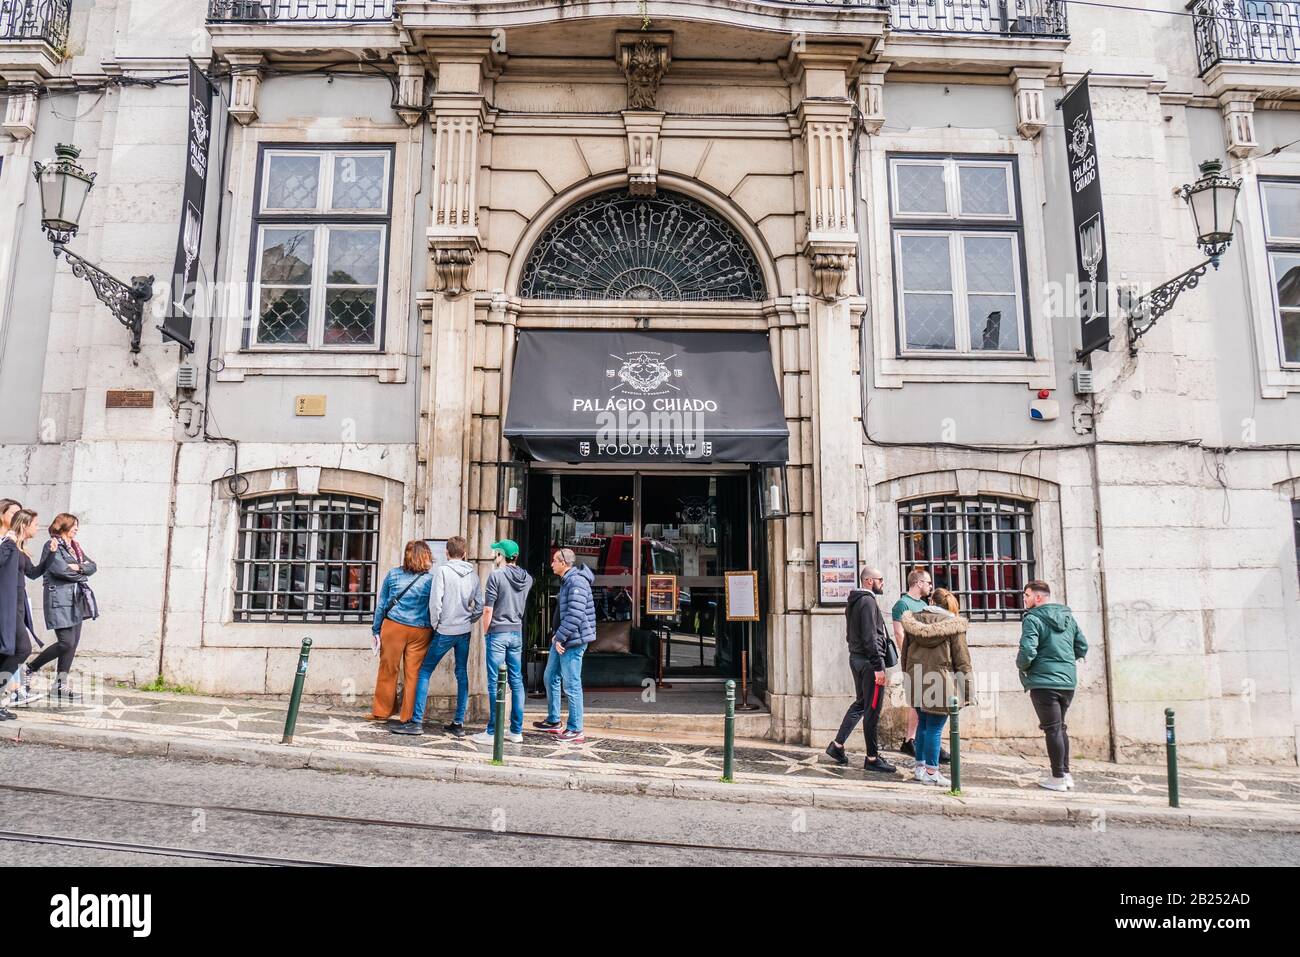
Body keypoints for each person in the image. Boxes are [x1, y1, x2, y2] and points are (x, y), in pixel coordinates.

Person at [395, 536, 481, 737]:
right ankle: (458, 723)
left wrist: (437, 625)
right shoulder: (473, 575)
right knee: (461, 673)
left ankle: (416, 722)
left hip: (445, 630)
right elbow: (479, 604)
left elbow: (436, 603)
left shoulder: (442, 572)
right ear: (465, 553)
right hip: (464, 631)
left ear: (447, 553)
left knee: (424, 671)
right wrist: (470, 620)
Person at [1017, 579, 1088, 792]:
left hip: (1043, 681)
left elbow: (1028, 650)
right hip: (1067, 682)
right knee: (1059, 727)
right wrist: (1064, 663)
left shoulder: (1032, 619)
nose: (1025, 599)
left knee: (1053, 729)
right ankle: (1065, 774)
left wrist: (1022, 665)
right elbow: (1082, 646)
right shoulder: (1068, 618)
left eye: (1027, 595)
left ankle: (1058, 777)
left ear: (1038, 597)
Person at [900, 587, 975, 787]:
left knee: (923, 725)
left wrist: (907, 678)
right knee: (934, 728)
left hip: (916, 679)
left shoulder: (912, 621)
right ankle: (932, 771)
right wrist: (968, 691)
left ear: (931, 602)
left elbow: (904, 654)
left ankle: (920, 768)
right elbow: (963, 662)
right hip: (941, 683)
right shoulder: (954, 625)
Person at [825, 566, 896, 773]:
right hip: (868, 662)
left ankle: (837, 746)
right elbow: (869, 637)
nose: (883, 583)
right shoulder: (867, 601)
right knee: (872, 710)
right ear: (868, 581)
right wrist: (877, 666)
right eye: (880, 579)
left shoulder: (855, 601)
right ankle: (872, 758)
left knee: (862, 704)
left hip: (858, 659)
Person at [470, 539, 533, 745]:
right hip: (516, 633)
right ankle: (516, 731)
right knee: (516, 681)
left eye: (495, 552)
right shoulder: (528, 578)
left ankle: (492, 731)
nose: (493, 555)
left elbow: (488, 609)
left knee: (495, 681)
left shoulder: (496, 576)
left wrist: (486, 632)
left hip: (497, 632)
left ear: (501, 556)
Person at [29, 513, 98, 701]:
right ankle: (30, 669)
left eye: (77, 525)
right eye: (74, 525)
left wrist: (78, 567)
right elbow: (60, 570)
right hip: (59, 600)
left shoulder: (75, 547)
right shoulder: (52, 545)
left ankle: (60, 685)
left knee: (72, 644)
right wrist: (80, 569)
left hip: (76, 599)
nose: (77, 528)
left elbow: (93, 566)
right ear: (64, 526)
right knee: (66, 642)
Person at [532, 547, 595, 743]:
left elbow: (575, 615)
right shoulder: (568, 580)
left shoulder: (576, 582)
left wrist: (559, 637)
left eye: (554, 560)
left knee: (572, 685)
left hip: (572, 641)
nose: (551, 564)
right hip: (563, 639)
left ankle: (576, 729)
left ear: (564, 563)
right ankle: (554, 720)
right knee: (550, 676)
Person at [369, 540, 435, 727]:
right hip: (421, 630)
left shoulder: (393, 574)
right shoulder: (430, 580)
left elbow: (382, 604)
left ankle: (382, 711)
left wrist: (376, 628)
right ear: (426, 557)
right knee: (413, 673)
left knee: (388, 669)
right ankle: (408, 715)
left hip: (394, 627)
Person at [0, 510, 58, 719]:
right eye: (35, 524)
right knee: (22, 649)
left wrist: (50, 554)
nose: (38, 528)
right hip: (6, 606)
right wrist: (8, 540)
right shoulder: (8, 544)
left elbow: (33, 573)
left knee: (11, 652)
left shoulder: (20, 550)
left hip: (18, 606)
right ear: (24, 525)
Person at [892, 569, 947, 763]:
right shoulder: (902, 604)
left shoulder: (924, 604)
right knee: (917, 701)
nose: (931, 586)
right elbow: (899, 634)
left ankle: (922, 741)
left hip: (926, 660)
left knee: (925, 702)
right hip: (913, 661)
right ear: (918, 583)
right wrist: (907, 659)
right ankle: (911, 740)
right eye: (928, 582)